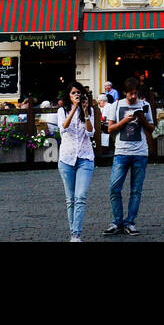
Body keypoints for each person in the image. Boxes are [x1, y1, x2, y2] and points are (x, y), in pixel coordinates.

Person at [105, 77, 153, 235]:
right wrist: (125, 120)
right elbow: (110, 129)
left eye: (136, 94)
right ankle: (117, 221)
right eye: (131, 94)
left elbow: (151, 128)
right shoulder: (116, 105)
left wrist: (143, 120)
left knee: (136, 190)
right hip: (121, 152)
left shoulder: (145, 105)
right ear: (125, 92)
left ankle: (130, 222)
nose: (133, 97)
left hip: (140, 153)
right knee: (114, 188)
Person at [57, 83, 97, 241]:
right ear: (69, 95)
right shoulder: (62, 110)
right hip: (66, 158)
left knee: (80, 197)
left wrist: (85, 111)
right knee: (70, 199)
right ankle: (74, 232)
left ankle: (76, 234)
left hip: (85, 158)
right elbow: (63, 128)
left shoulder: (89, 110)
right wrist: (74, 108)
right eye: (73, 93)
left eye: (79, 93)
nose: (76, 95)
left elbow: (91, 132)